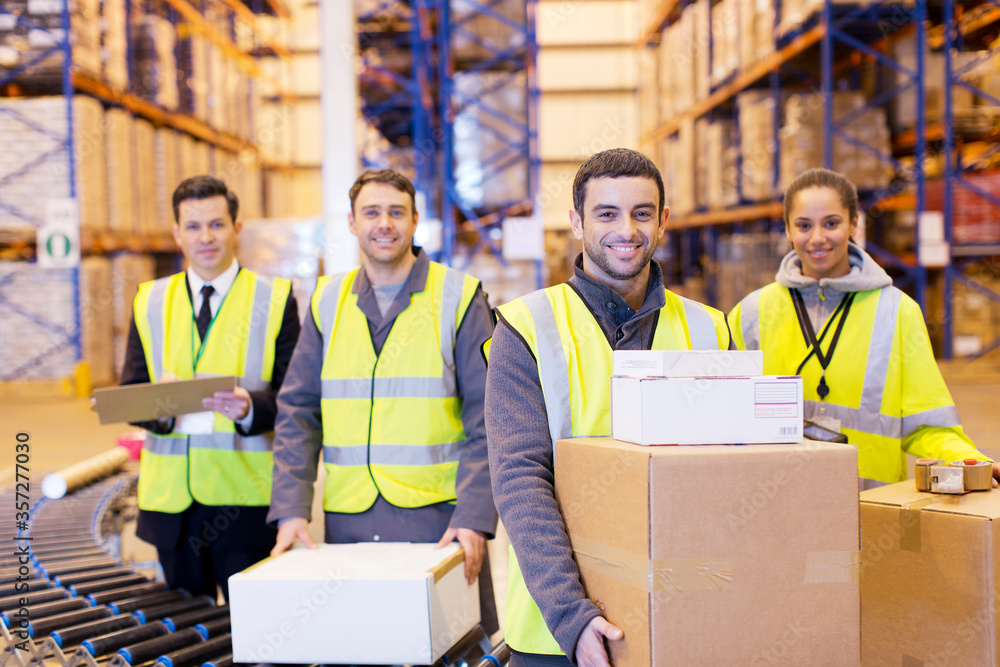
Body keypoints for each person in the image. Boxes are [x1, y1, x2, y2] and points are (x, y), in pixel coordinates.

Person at [484, 148, 732, 667]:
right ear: (576, 221)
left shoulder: (710, 329)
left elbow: (729, 477)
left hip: (685, 616)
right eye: (607, 214)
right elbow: (519, 479)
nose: (628, 230)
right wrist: (571, 616)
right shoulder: (526, 329)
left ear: (663, 220)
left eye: (643, 213)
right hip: (559, 635)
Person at [267, 169, 499, 635]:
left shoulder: (458, 296)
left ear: (415, 221)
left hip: (438, 521)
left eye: (396, 212)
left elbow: (490, 418)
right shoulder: (327, 301)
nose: (384, 224)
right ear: (352, 223)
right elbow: (298, 412)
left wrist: (474, 516)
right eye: (371, 213)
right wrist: (291, 509)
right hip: (348, 518)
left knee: (450, 647)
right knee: (360, 643)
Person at [729, 167, 998, 487]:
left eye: (831, 223)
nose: (817, 238)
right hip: (780, 506)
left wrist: (972, 462)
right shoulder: (751, 314)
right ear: (787, 229)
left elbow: (928, 423)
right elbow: (727, 415)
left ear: (854, 223)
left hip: (870, 510)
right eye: (804, 225)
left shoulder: (898, 312)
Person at [120, 175, 300, 600]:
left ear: (237, 229)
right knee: (187, 638)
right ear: (177, 234)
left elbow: (296, 401)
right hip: (172, 509)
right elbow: (130, 392)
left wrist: (250, 408)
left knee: (253, 641)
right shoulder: (149, 300)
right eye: (194, 226)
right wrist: (157, 403)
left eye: (217, 224)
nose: (206, 237)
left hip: (245, 504)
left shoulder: (274, 299)